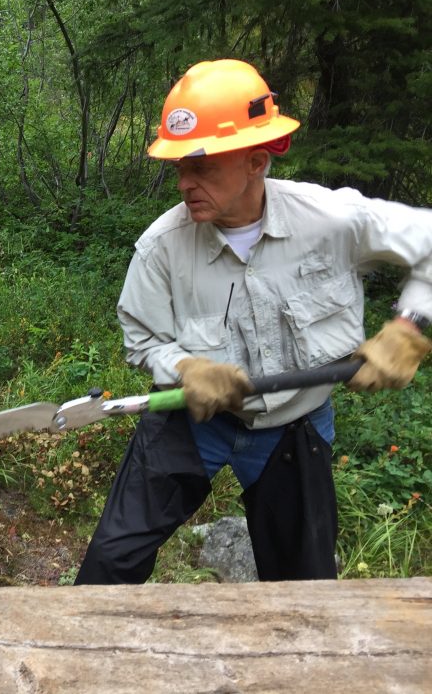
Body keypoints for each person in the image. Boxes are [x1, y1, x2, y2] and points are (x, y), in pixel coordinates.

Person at [75, 59, 432, 584]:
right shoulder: (161, 248)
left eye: (202, 167)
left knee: (304, 585)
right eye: (179, 168)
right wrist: (184, 365)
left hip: (295, 425)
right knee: (110, 563)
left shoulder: (330, 221)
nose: (185, 184)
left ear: (257, 161)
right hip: (193, 423)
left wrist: (409, 324)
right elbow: (141, 337)